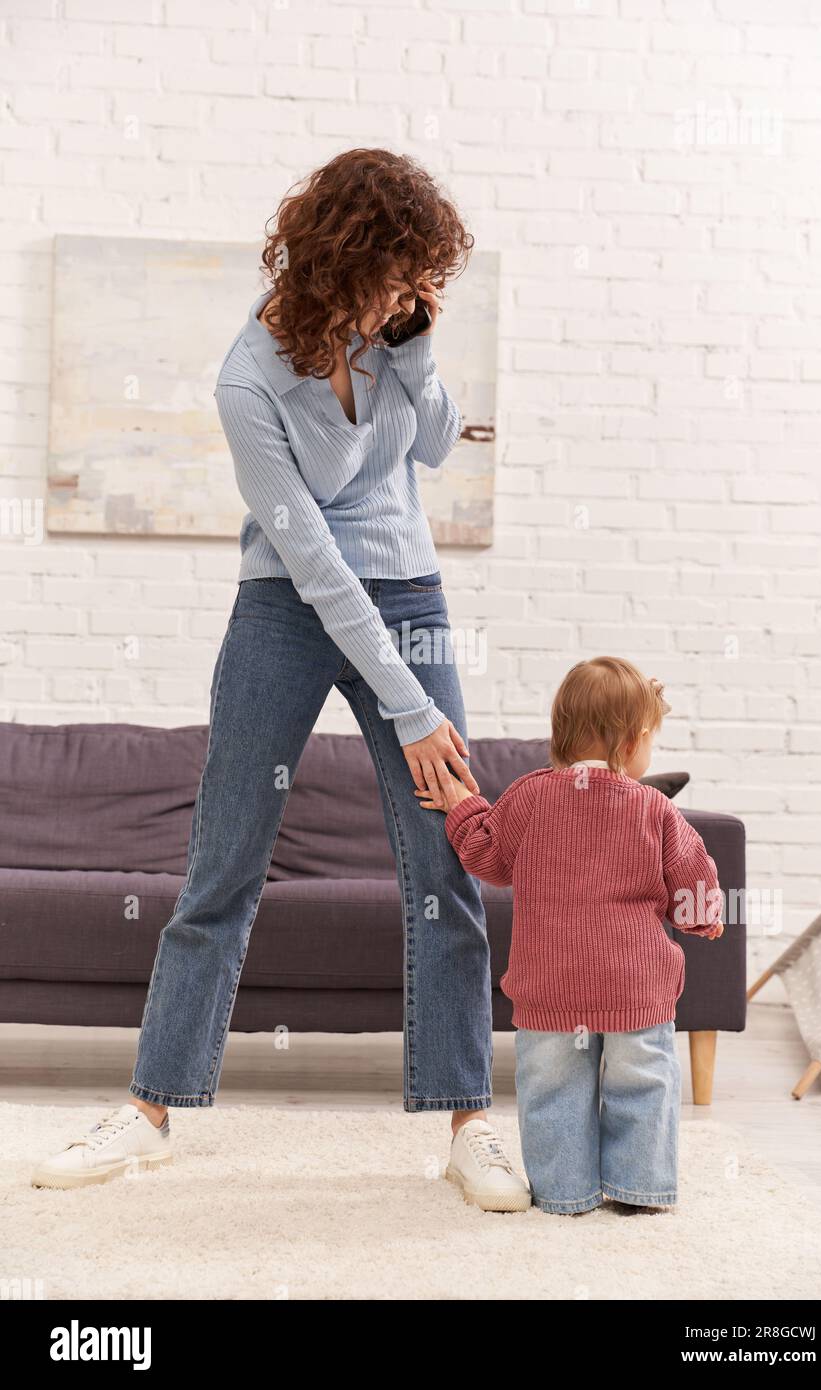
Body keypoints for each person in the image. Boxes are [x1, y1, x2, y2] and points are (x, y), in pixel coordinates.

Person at [32, 147, 529, 1211]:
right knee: (223, 859)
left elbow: (436, 446)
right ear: (345, 258)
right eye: (400, 271)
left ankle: (467, 1119)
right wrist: (407, 708)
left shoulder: (393, 331)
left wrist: (420, 348)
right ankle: (152, 1105)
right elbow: (312, 560)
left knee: (444, 855)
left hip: (410, 594)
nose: (412, 290)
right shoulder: (247, 377)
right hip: (289, 604)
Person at [417, 656, 725, 1215]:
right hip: (636, 987)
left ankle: (564, 1192)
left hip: (550, 988)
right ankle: (640, 1190)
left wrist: (461, 807)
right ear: (634, 741)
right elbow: (692, 876)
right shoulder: (655, 808)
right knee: (644, 1082)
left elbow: (488, 853)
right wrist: (702, 915)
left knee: (553, 1089)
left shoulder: (530, 796)